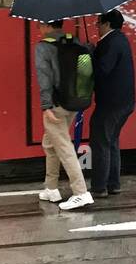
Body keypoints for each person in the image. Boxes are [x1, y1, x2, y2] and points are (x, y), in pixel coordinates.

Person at [35, 20, 93, 210]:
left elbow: (44, 77)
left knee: (63, 147)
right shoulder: (74, 42)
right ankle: (51, 188)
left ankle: (81, 192)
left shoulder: (44, 47)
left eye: (40, 25)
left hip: (56, 105)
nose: (39, 29)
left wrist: (46, 106)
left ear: (47, 26)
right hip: (74, 102)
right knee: (50, 143)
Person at [89, 10, 136, 198]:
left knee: (100, 142)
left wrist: (91, 53)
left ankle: (99, 187)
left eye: (98, 22)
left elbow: (102, 70)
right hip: (124, 102)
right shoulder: (120, 39)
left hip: (111, 104)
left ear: (106, 24)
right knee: (111, 142)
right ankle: (113, 184)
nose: (96, 26)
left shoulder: (111, 43)